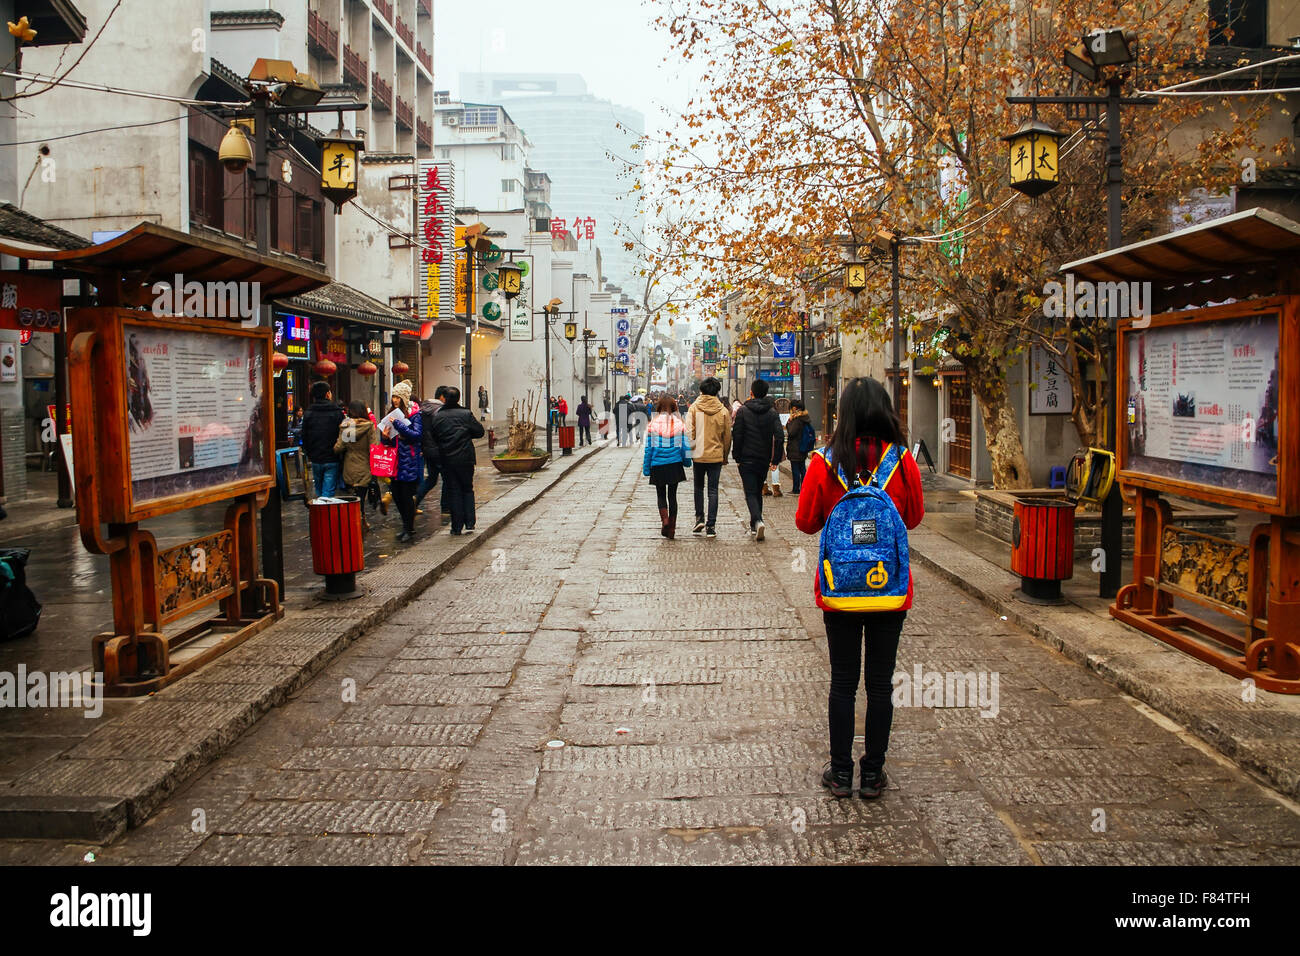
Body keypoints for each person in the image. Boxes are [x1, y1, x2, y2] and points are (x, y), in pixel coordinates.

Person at [795, 377, 924, 800]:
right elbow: (914, 517)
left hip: (840, 590)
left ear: (844, 413)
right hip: (888, 588)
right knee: (881, 684)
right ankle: (873, 774)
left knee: (843, 682)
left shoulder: (824, 462)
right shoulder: (902, 462)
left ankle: (840, 773)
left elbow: (806, 521)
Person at [731, 378, 784, 541]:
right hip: (763, 458)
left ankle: (758, 520)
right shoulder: (772, 412)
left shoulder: (742, 411)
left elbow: (737, 435)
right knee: (758, 490)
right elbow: (780, 436)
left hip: (746, 458)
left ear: (751, 393)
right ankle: (755, 522)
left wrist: (737, 456)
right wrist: (775, 459)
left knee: (750, 492)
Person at [427, 385, 485, 535]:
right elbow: (479, 432)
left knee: (454, 491)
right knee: (467, 488)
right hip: (465, 458)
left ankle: (456, 526)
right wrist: (466, 435)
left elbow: (433, 435)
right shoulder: (466, 414)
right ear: (458, 398)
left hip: (447, 458)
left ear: (444, 399)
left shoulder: (438, 416)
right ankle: (470, 522)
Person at [685, 377, 731, 538]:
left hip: (698, 455)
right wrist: (724, 455)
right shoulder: (723, 411)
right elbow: (727, 437)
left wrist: (690, 452)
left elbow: (689, 432)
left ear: (701, 390)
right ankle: (711, 526)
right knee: (713, 490)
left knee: (698, 488)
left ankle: (699, 519)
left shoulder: (694, 409)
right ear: (717, 391)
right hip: (716, 455)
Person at [643, 393, 692, 538]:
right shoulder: (679, 424)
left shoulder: (653, 425)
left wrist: (647, 468)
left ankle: (664, 520)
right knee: (673, 496)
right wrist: (687, 462)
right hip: (674, 464)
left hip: (658, 465)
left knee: (660, 495)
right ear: (674, 407)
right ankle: (672, 528)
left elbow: (648, 449)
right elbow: (686, 446)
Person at [386, 380, 424, 543]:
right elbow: (387, 442)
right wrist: (385, 437)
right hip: (394, 462)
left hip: (408, 461)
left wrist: (400, 426)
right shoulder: (391, 414)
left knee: (407, 497)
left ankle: (409, 528)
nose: (395, 400)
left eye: (398, 397)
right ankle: (405, 526)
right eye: (393, 396)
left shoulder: (415, 414)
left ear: (404, 398)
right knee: (397, 496)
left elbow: (416, 435)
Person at [334, 400, 377, 528]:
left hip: (349, 467)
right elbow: (373, 448)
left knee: (353, 498)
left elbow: (339, 448)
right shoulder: (369, 426)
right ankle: (361, 519)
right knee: (361, 496)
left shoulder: (348, 426)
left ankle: (355, 521)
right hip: (364, 467)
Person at [302, 381, 345, 499]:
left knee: (319, 490)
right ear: (327, 394)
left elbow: (304, 436)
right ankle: (325, 513)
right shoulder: (337, 412)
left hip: (315, 457)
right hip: (332, 457)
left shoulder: (308, 413)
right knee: (328, 492)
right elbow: (345, 436)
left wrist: (308, 452)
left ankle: (320, 512)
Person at [417, 385, 447, 514]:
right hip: (439, 450)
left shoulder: (423, 410)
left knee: (431, 479)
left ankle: (415, 499)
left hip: (428, 450)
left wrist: (422, 447)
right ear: (441, 396)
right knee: (447, 478)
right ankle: (446, 507)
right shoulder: (440, 411)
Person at [785, 399, 814, 495]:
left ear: (794, 408)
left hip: (795, 448)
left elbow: (791, 432)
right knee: (802, 469)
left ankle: (796, 489)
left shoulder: (797, 420)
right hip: (802, 447)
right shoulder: (805, 418)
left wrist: (789, 423)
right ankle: (805, 488)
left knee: (795, 469)